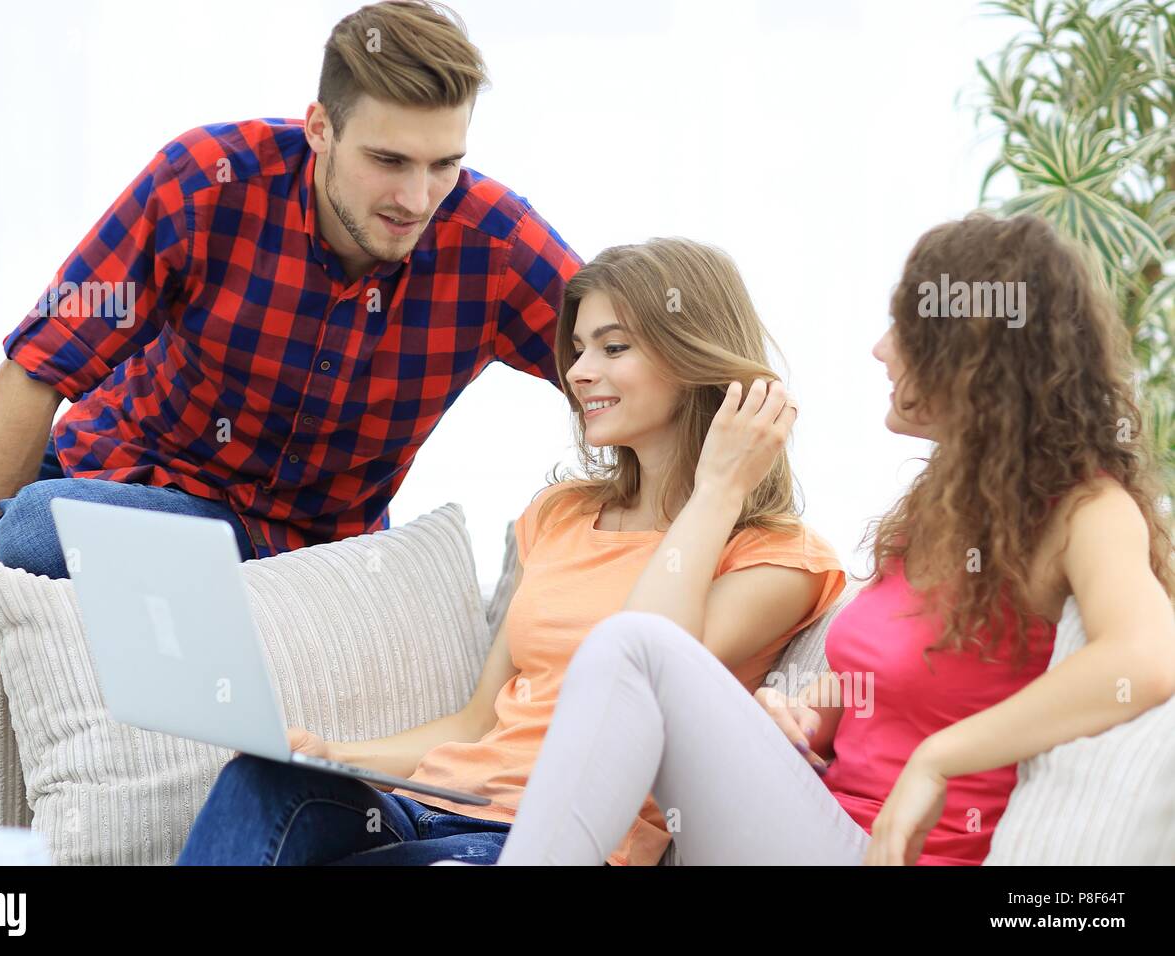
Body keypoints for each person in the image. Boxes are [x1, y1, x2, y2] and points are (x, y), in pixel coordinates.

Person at [0, 0, 583, 848]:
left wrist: (720, 458)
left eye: (444, 165)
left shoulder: (493, 243)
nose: (416, 197)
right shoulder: (206, 180)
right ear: (319, 128)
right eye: (388, 160)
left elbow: (630, 356)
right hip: (110, 470)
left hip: (289, 544)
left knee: (33, 525)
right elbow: (35, 369)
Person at [485, 212, 1175, 865]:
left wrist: (941, 756)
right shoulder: (943, 508)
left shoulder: (1087, 508)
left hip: (894, 851)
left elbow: (1145, 660)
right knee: (639, 655)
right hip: (824, 822)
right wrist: (792, 713)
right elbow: (886, 682)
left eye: (902, 327)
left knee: (631, 644)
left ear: (969, 353)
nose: (880, 349)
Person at [177, 236, 844, 866]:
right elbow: (475, 722)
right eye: (578, 349)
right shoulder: (560, 515)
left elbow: (645, 657)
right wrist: (334, 752)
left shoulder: (775, 558)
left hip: (536, 839)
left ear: (692, 354)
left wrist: (719, 490)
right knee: (257, 784)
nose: (580, 373)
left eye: (613, 348)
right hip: (426, 809)